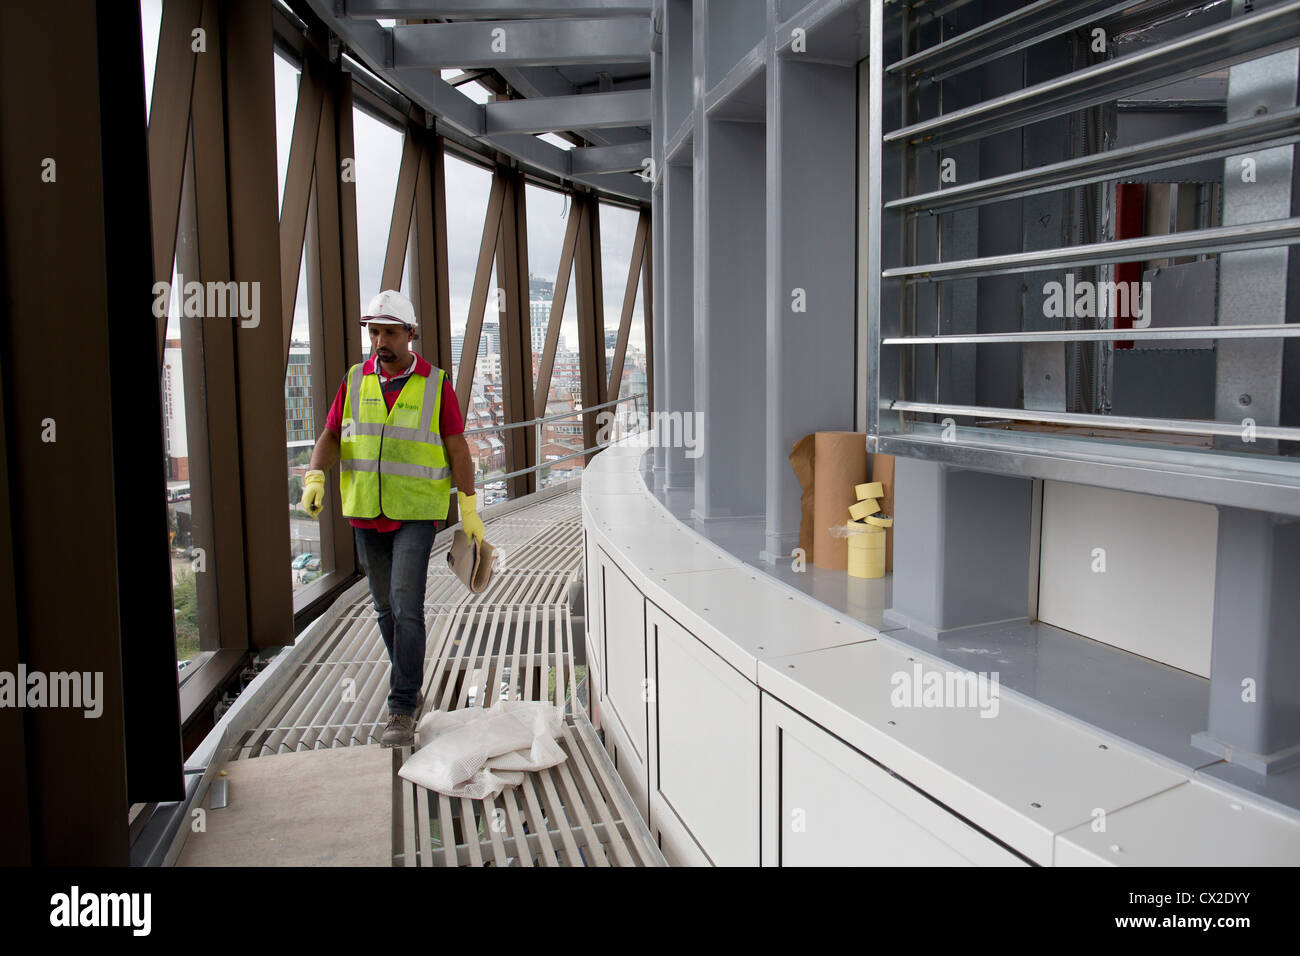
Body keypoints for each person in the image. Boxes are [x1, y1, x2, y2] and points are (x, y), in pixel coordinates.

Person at [299, 290, 485, 748]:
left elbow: (456, 444)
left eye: (388, 332)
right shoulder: (355, 379)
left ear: (410, 334)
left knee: (405, 605)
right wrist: (314, 477)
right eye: (374, 331)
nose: (379, 340)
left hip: (416, 513)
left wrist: (469, 506)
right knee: (383, 607)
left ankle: (401, 707)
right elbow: (330, 433)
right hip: (365, 510)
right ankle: (410, 680)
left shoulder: (434, 383)